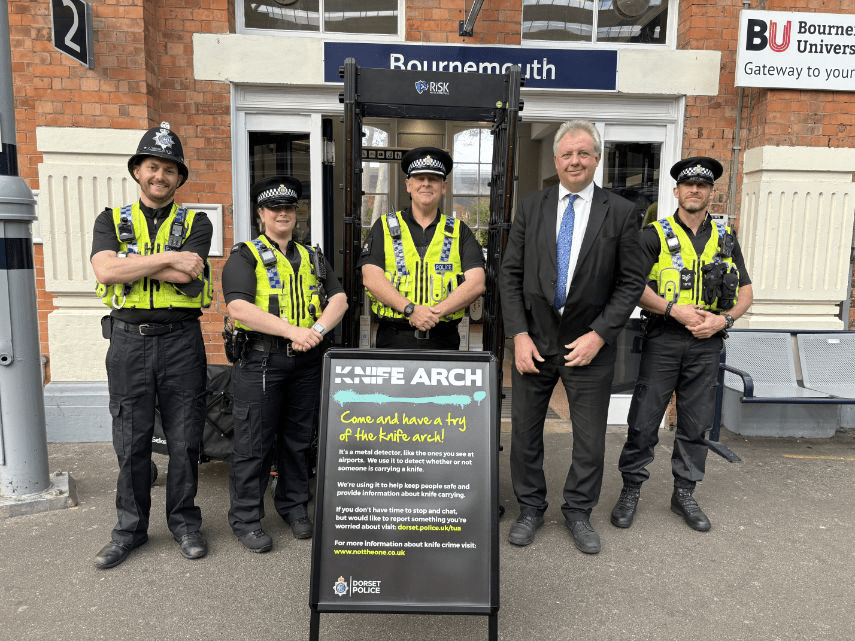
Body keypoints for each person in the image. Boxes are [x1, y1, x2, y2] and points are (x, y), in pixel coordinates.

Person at [500, 120, 646, 554]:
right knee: (525, 435)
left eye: (583, 153)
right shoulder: (532, 207)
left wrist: (599, 335)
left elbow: (630, 283)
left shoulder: (621, 212)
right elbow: (510, 275)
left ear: (597, 158)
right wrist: (519, 335)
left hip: (589, 346)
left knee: (589, 439)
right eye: (567, 154)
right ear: (556, 160)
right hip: (534, 342)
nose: (575, 161)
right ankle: (530, 508)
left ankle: (579, 511)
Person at [91, 122, 213, 569]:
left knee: (184, 439)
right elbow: (105, 271)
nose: (160, 176)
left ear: (179, 178)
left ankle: (184, 523)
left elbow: (188, 275)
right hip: (128, 342)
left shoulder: (197, 222)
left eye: (169, 169)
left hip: (181, 341)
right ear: (138, 171)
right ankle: (129, 530)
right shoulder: (110, 219)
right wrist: (169, 257)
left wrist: (132, 261)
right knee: (131, 439)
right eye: (152, 167)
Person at [610, 157, 754, 532]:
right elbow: (632, 286)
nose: (694, 190)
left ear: (710, 193)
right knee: (644, 421)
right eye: (688, 185)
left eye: (701, 186)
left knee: (695, 422)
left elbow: (746, 291)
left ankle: (684, 494)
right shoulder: (653, 235)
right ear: (676, 191)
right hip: (664, 338)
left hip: (707, 342)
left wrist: (724, 320)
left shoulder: (725, 237)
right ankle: (630, 490)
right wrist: (674, 310)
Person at [222, 175, 348, 553]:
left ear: (296, 213)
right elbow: (239, 307)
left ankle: (294, 507)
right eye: (274, 208)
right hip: (261, 360)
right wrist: (293, 331)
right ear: (261, 214)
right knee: (254, 444)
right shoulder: (244, 255)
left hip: (306, 361)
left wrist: (316, 331)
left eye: (289, 208)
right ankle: (246, 518)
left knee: (298, 441)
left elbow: (339, 300)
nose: (283, 214)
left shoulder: (313, 257)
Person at [360, 146, 485, 350]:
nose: (426, 183)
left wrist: (432, 314)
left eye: (433, 179)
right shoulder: (384, 226)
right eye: (420, 178)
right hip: (393, 340)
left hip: (443, 340)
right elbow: (371, 278)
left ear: (443, 187)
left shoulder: (460, 231)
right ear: (408, 185)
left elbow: (476, 283)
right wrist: (411, 310)